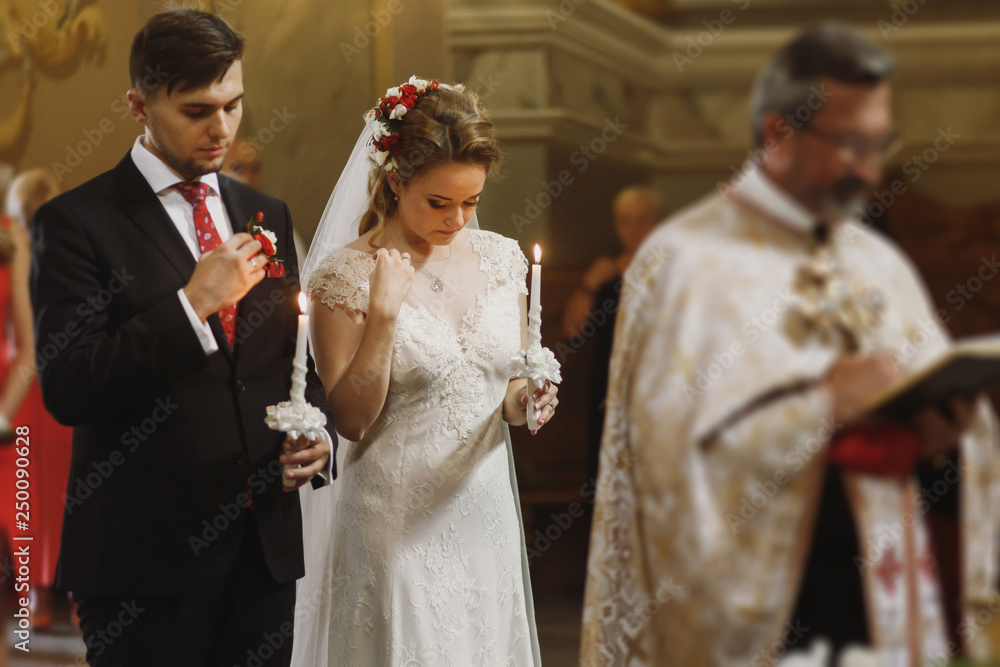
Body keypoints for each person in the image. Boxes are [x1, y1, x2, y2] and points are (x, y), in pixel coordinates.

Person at [581, 22, 1000, 666]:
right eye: (851, 144)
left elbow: (936, 417)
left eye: (879, 142)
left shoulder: (877, 261)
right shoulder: (686, 261)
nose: (870, 168)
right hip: (779, 615)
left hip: (890, 590)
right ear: (779, 132)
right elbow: (664, 461)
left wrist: (947, 435)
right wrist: (824, 406)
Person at [30, 11, 333, 666]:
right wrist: (192, 303)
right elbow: (70, 386)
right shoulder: (76, 223)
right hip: (145, 568)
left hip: (264, 556)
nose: (221, 128)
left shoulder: (265, 212)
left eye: (234, 104)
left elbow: (292, 361)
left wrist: (319, 434)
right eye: (197, 110)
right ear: (139, 105)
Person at [292, 77, 557, 666]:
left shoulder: (502, 259)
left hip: (483, 515)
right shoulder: (345, 276)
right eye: (439, 202)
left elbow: (505, 385)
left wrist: (526, 400)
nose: (458, 219)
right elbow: (352, 421)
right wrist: (383, 315)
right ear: (394, 179)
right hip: (395, 525)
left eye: (472, 201)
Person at [2, 167, 72, 631]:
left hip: (30, 385)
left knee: (35, 497)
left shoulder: (21, 243)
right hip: (25, 382)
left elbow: (29, 338)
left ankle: (42, 594)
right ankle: (32, 596)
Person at [560, 185, 661, 340]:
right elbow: (570, 330)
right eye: (626, 220)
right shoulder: (606, 273)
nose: (634, 229)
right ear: (617, 226)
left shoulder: (674, 269)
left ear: (657, 222)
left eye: (643, 219)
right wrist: (590, 284)